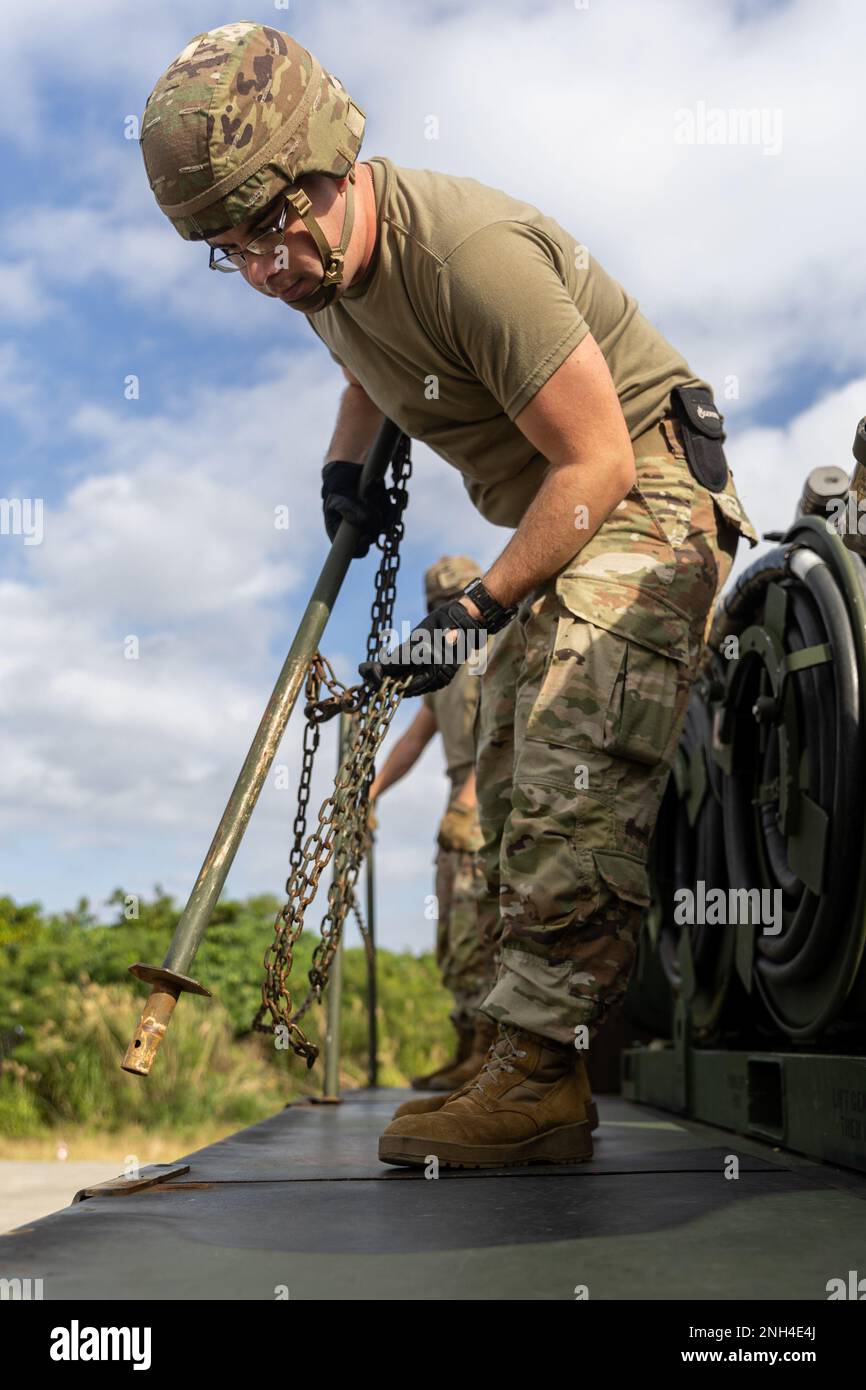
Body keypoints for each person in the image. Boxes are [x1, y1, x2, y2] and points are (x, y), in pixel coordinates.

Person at [140, 22, 760, 1169]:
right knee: (513, 777)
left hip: (640, 489)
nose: (266, 269)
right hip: (559, 515)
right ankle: (516, 1051)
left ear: (333, 159)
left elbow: (598, 466)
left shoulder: (465, 253)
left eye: (275, 227)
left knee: (575, 743)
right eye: (231, 249)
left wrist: (473, 614)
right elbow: (358, 365)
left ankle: (537, 1073)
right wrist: (341, 474)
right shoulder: (318, 277)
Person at [367, 556, 499, 1093]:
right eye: (433, 605)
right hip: (460, 798)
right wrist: (368, 792)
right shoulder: (445, 671)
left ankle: (492, 1050)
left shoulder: (494, 652)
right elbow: (415, 739)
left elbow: (499, 730)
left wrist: (467, 801)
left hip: (488, 795)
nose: (440, 610)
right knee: (453, 929)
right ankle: (468, 1046)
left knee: (481, 925)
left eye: (451, 599)